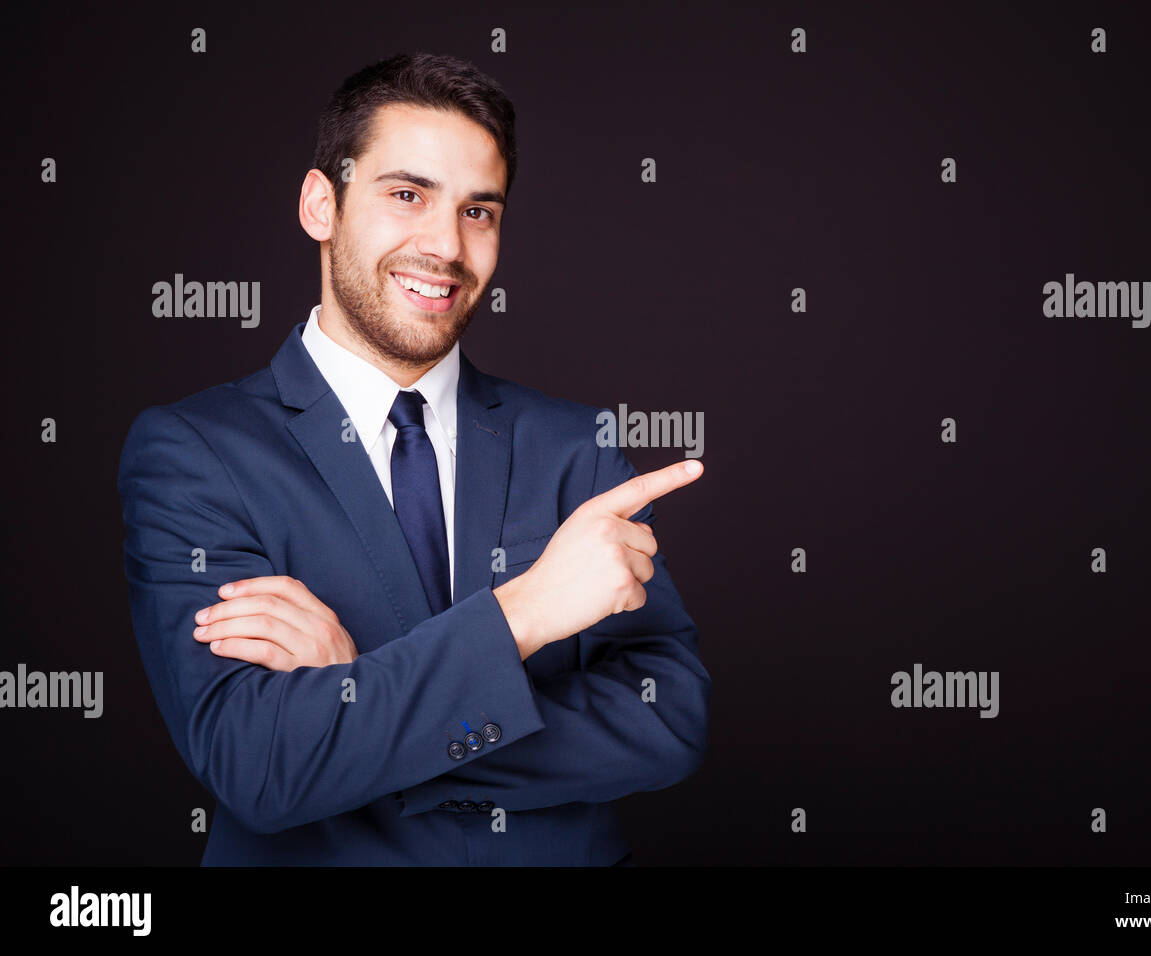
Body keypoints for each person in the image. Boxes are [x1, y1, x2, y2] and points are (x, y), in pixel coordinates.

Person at [117, 52, 710, 866]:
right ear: (321, 205)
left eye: (479, 211)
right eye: (407, 195)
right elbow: (260, 763)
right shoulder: (195, 454)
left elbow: (669, 719)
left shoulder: (578, 446)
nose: (445, 245)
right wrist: (526, 614)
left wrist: (357, 691)